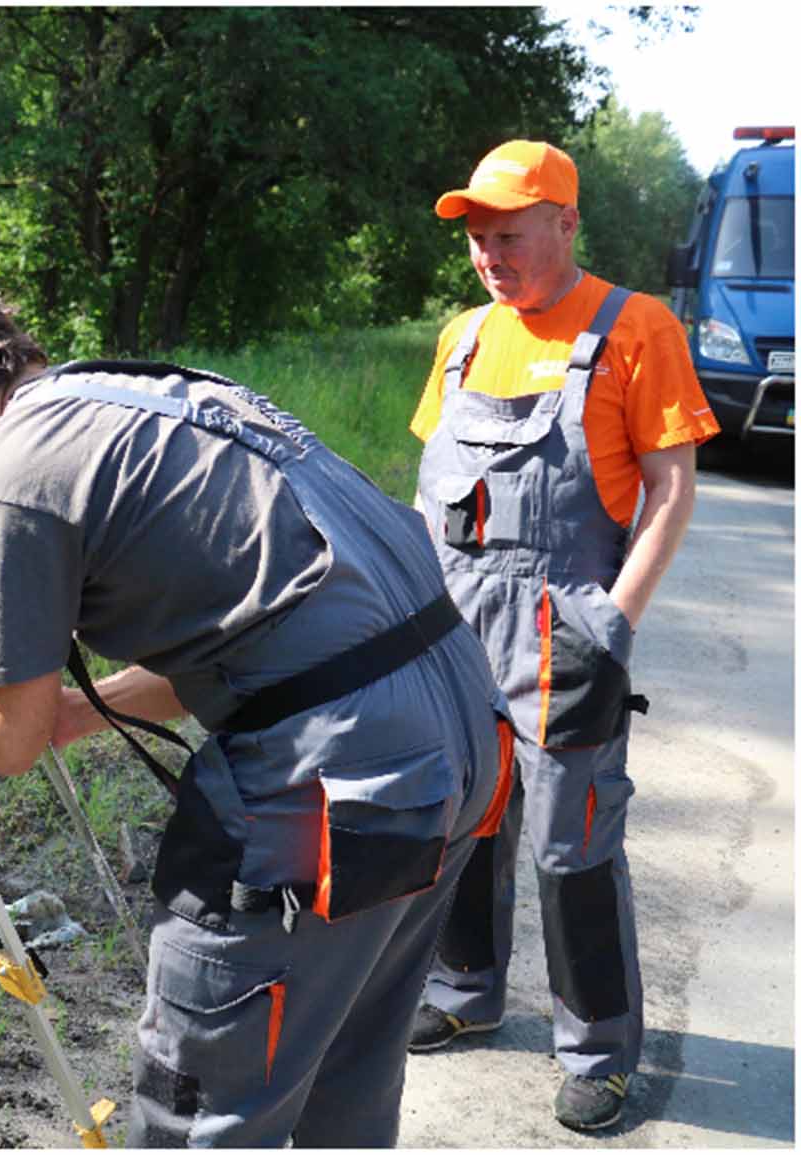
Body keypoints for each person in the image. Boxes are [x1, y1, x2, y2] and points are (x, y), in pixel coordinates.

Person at [0, 248, 512, 1147]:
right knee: (345, 1086)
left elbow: (4, 740)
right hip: (458, 739)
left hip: (339, 783)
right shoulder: (137, 395)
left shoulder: (10, 472)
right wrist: (75, 712)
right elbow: (259, 624)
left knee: (203, 1106)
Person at [407, 140, 719, 1132]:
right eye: (475, 239)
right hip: (456, 632)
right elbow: (434, 503)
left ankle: (597, 1052)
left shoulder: (635, 327)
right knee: (463, 821)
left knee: (569, 847)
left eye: (506, 234)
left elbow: (670, 490)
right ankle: (464, 995)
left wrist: (613, 622)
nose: (488, 255)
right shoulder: (461, 336)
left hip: (563, 633)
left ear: (563, 224)